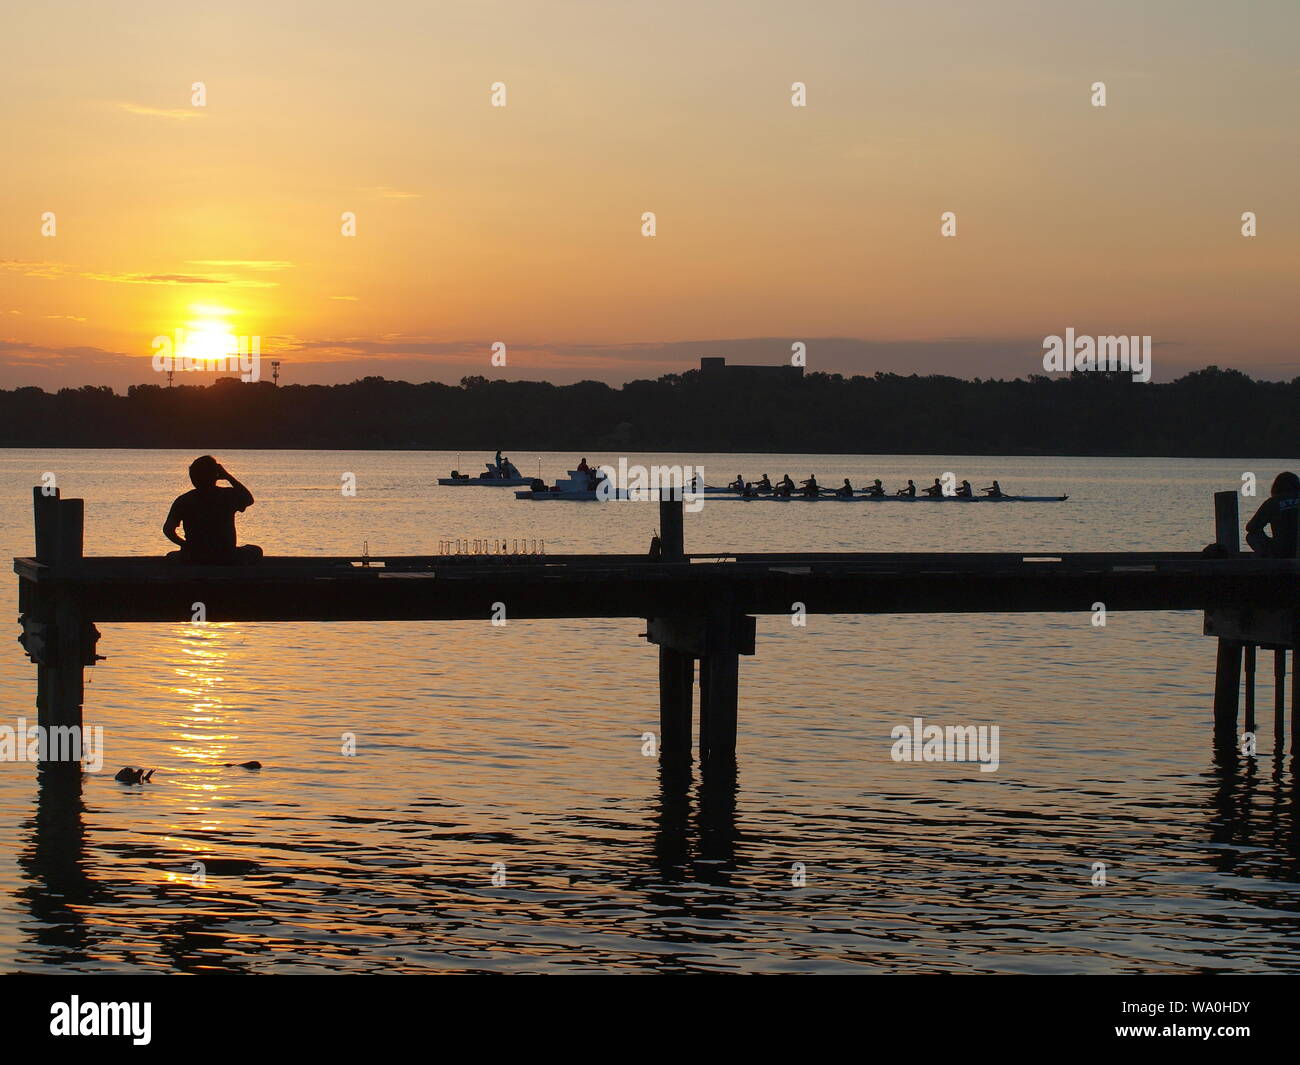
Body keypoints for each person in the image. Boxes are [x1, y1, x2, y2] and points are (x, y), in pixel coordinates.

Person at [164, 456, 262, 565]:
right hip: (226, 555)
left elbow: (168, 530)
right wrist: (228, 476)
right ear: (215, 475)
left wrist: (186, 545)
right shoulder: (227, 496)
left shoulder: (184, 500)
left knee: (171, 556)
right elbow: (248, 499)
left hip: (195, 556)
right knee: (255, 550)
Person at [1246, 472, 1300, 557]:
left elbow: (1251, 527)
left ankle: (1269, 560)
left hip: (1281, 551)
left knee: (1252, 536)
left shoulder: (1273, 502)